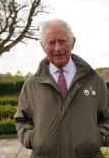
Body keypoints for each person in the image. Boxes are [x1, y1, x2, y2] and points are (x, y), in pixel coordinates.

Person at [14, 19, 109, 158]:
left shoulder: (94, 80)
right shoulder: (31, 85)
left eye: (62, 41)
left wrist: (99, 137)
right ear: (43, 46)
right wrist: (33, 139)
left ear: (73, 42)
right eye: (51, 42)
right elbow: (21, 120)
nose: (57, 48)